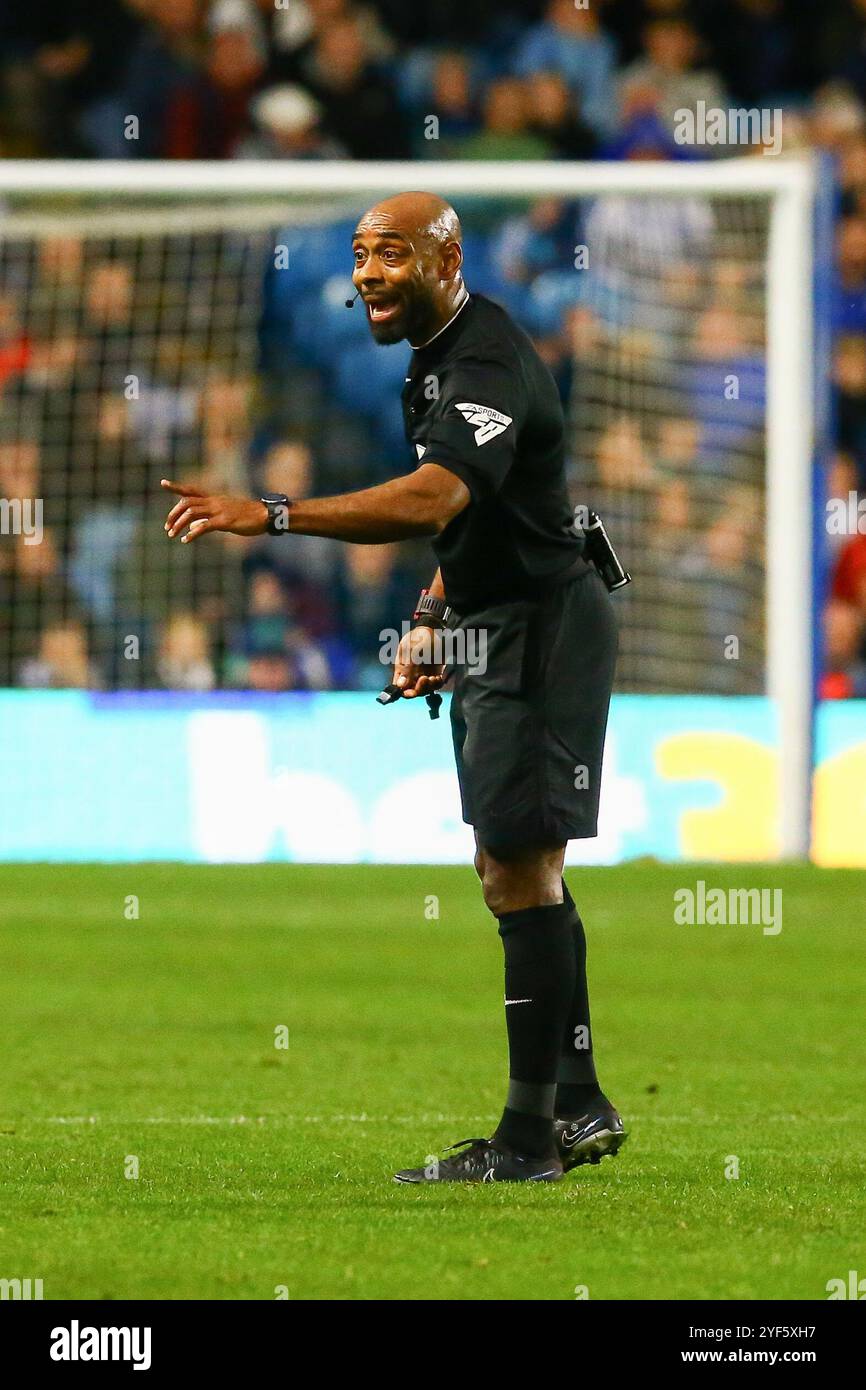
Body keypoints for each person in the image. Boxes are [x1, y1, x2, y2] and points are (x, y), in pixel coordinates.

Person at [161, 191, 626, 1183]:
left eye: (393, 254)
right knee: (510, 864)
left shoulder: (485, 360)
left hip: (541, 628)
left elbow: (436, 495)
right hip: (495, 618)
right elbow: (475, 520)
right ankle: (575, 1102)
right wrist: (430, 613)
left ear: (446, 262)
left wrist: (274, 514)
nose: (368, 272)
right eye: (362, 254)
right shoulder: (436, 361)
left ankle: (525, 1141)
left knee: (516, 870)